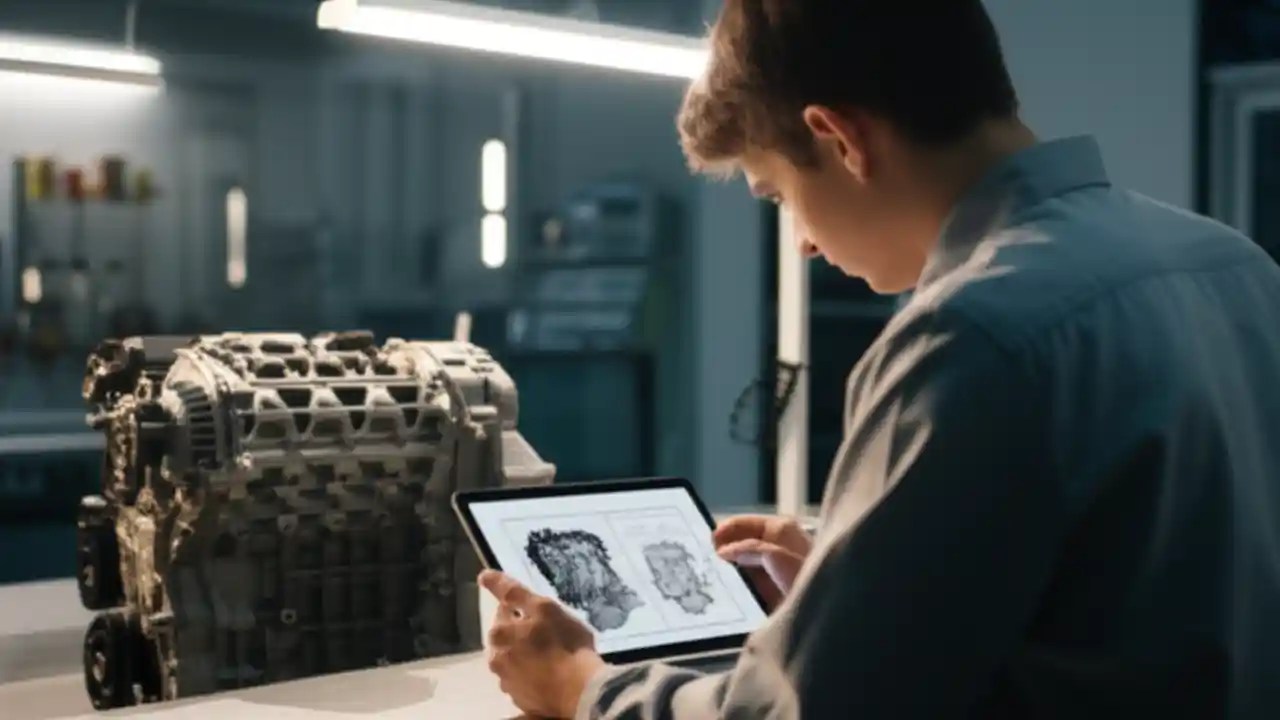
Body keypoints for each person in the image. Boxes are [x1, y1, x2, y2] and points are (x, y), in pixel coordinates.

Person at [478, 0, 1280, 717]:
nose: (799, 239)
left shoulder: (972, 335)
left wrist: (587, 688)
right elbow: (1127, 597)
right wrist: (856, 591)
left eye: (778, 193)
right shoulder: (1232, 266)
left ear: (839, 138)